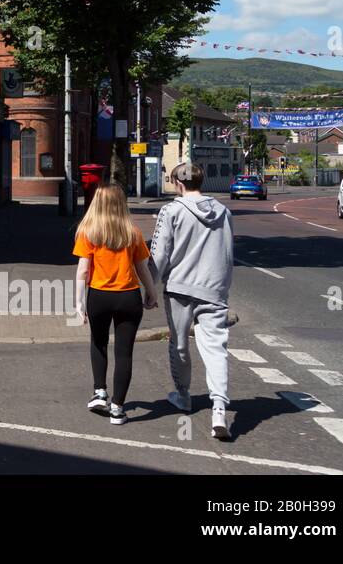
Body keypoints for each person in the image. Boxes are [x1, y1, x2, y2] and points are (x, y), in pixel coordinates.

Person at [150, 161, 235, 441]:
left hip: (179, 288)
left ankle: (183, 395)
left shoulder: (171, 210)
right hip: (213, 289)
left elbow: (159, 254)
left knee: (180, 344)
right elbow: (227, 251)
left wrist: (148, 287)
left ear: (179, 183)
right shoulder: (223, 212)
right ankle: (219, 410)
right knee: (216, 349)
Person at [74, 183, 158, 425]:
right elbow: (142, 268)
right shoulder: (132, 232)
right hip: (128, 296)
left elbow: (83, 270)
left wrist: (79, 302)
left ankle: (100, 392)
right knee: (124, 353)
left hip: (99, 296)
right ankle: (118, 409)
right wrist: (151, 292)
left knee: (98, 343)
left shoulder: (88, 231)